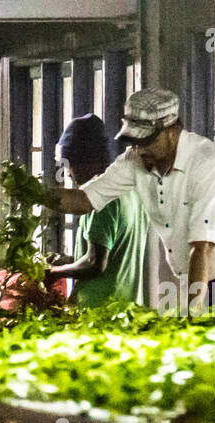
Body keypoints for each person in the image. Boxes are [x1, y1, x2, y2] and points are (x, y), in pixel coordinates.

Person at [47, 88, 215, 317]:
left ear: (172, 130)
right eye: (134, 142)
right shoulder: (136, 159)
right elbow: (84, 200)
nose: (139, 149)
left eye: (146, 141)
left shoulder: (207, 163)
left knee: (213, 344)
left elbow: (202, 247)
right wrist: (31, 192)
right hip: (197, 277)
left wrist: (191, 314)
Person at [43, 115, 148, 307]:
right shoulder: (131, 191)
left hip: (98, 309)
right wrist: (65, 261)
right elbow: (113, 253)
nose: (68, 173)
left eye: (70, 164)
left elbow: (95, 264)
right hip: (126, 308)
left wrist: (50, 274)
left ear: (88, 160)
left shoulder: (98, 198)